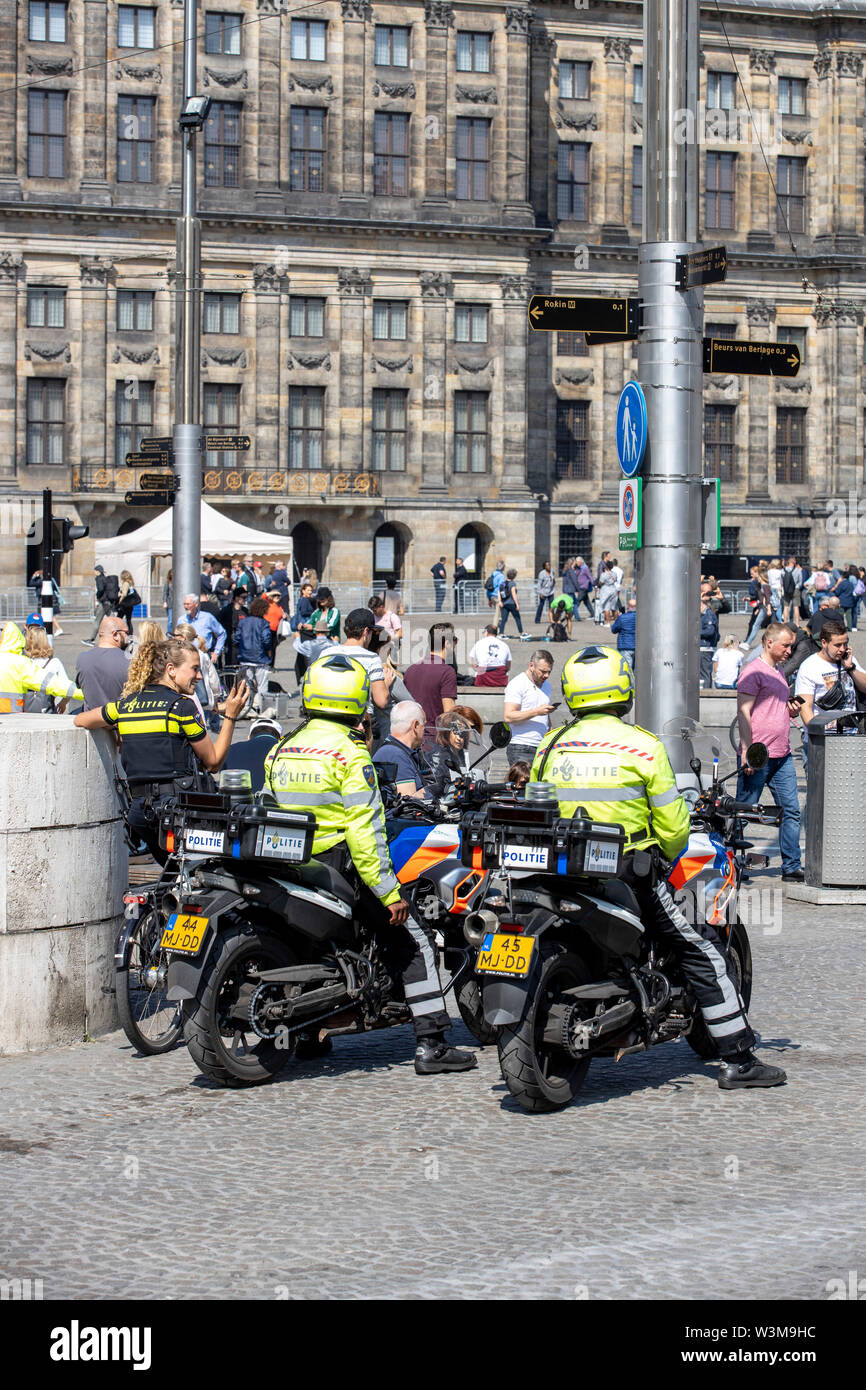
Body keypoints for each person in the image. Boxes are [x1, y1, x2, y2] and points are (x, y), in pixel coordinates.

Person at [532, 646, 786, 1091]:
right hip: (626, 874)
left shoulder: (550, 745)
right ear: (623, 689)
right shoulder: (642, 745)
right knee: (701, 948)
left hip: (559, 872)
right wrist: (668, 852)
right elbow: (672, 828)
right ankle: (738, 1057)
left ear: (572, 693)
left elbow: (539, 805)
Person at [265, 653, 476, 1074]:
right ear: (355, 700)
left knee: (312, 944)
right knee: (413, 939)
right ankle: (431, 1043)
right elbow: (365, 833)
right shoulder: (351, 754)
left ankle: (308, 1033)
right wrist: (388, 892)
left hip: (289, 866)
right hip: (339, 867)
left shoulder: (282, 748)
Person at [74, 639, 248, 863]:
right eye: (195, 669)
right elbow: (213, 762)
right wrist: (231, 716)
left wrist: (118, 728)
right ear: (171, 670)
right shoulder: (181, 707)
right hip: (178, 811)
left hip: (139, 813)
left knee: (170, 872)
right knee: (201, 871)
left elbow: (81, 720)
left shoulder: (125, 706)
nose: (199, 676)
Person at [735, 623, 804, 883]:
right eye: (785, 645)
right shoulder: (753, 672)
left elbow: (773, 707)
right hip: (760, 754)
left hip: (782, 754)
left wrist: (789, 710)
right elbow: (744, 712)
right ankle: (733, 862)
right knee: (742, 810)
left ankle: (791, 866)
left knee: (791, 810)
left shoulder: (778, 672)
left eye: (791, 646)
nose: (789, 650)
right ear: (769, 643)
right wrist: (748, 751)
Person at [329, 607, 393, 742]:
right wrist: (386, 684)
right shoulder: (370, 658)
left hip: (328, 720)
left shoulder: (327, 653)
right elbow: (381, 701)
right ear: (366, 632)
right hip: (358, 723)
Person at [795, 619, 866, 736]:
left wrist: (850, 667)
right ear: (824, 642)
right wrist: (819, 735)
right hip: (824, 736)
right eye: (837, 645)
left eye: (845, 643)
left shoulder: (848, 660)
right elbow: (805, 707)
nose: (842, 649)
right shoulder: (809, 666)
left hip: (852, 735)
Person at [0, 621, 81, 714]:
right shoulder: (19, 664)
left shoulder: (21, 661)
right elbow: (54, 684)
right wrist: (85, 692)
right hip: (12, 721)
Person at [503, 649, 556, 767]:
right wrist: (537, 711)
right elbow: (508, 716)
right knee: (523, 785)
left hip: (542, 747)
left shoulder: (547, 686)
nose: (546, 676)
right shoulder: (518, 683)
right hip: (521, 746)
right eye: (543, 671)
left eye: (549, 672)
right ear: (531, 665)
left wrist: (552, 736)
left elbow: (545, 716)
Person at [404, 623, 458, 733]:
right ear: (447, 643)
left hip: (412, 738)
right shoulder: (447, 672)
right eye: (454, 640)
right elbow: (448, 716)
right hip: (434, 740)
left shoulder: (410, 670)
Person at [372, 700, 431, 799]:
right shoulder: (394, 754)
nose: (424, 730)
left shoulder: (398, 751)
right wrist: (439, 790)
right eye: (423, 725)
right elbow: (409, 801)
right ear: (415, 725)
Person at [75, 615, 131, 711]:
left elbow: (80, 686)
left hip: (91, 721)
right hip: (119, 721)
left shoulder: (82, 658)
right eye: (126, 633)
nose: (128, 637)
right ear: (115, 635)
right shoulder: (130, 661)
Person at [426, 709, 482, 798]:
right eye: (456, 732)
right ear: (447, 732)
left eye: (463, 734)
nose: (460, 738)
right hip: (442, 800)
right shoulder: (439, 755)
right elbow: (438, 785)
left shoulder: (460, 753)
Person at [222, 716, 283, 793]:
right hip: (272, 802)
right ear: (280, 739)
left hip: (238, 802)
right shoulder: (286, 752)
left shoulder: (230, 750)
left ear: (248, 737)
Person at [22, 622, 73, 711]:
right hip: (46, 712)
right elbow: (69, 689)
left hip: (24, 711)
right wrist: (63, 703)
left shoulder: (22, 662)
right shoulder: (54, 663)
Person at [236, 596, 274, 715]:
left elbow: (236, 638)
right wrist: (269, 651)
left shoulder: (243, 622)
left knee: (246, 684)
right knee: (262, 685)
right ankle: (262, 709)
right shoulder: (264, 623)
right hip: (260, 658)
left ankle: (246, 708)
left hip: (245, 657)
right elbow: (266, 639)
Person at [182, 593, 227, 660]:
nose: (185, 607)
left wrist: (216, 652)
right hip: (186, 657)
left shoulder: (207, 618)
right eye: (184, 604)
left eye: (188, 604)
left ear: (196, 604)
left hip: (204, 656)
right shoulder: (182, 620)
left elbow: (222, 633)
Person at [84, 566, 119, 645]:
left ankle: (92, 639)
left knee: (97, 621)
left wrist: (98, 596)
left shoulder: (99, 578)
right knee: (113, 620)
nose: (94, 572)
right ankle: (120, 635)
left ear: (97, 571)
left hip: (103, 603)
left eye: (95, 571)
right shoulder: (105, 578)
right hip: (109, 602)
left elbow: (100, 589)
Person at [699, 587, 720, 689]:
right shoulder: (704, 614)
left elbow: (710, 631)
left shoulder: (708, 614)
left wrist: (694, 633)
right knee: (701, 674)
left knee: (705, 674)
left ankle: (706, 694)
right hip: (701, 647)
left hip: (705, 648)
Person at [610, 596, 637, 676]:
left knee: (627, 670)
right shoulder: (641, 617)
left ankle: (629, 687)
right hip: (637, 646)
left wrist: (619, 617)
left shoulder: (622, 618)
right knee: (636, 672)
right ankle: (636, 687)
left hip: (625, 646)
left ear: (628, 606)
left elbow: (614, 630)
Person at [498, 567, 523, 637]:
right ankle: (521, 632)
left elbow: (499, 592)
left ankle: (501, 633)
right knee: (517, 618)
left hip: (504, 603)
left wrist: (500, 601)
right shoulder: (512, 583)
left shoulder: (503, 583)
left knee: (504, 619)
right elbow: (513, 594)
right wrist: (517, 604)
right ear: (514, 576)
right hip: (511, 603)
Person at [115, 570, 140, 635]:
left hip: (124, 604)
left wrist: (120, 598)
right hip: (129, 605)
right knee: (128, 619)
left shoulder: (126, 583)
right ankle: (130, 633)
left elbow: (124, 594)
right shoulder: (131, 583)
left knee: (118, 618)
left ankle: (117, 631)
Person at [574, 556, 595, 621]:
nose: (576, 563)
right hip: (580, 587)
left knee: (578, 601)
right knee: (586, 602)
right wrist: (575, 567)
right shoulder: (579, 568)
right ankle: (593, 613)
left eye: (577, 562)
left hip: (584, 587)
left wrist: (594, 584)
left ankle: (572, 613)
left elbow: (590, 576)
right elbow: (576, 574)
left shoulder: (585, 568)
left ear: (581, 562)